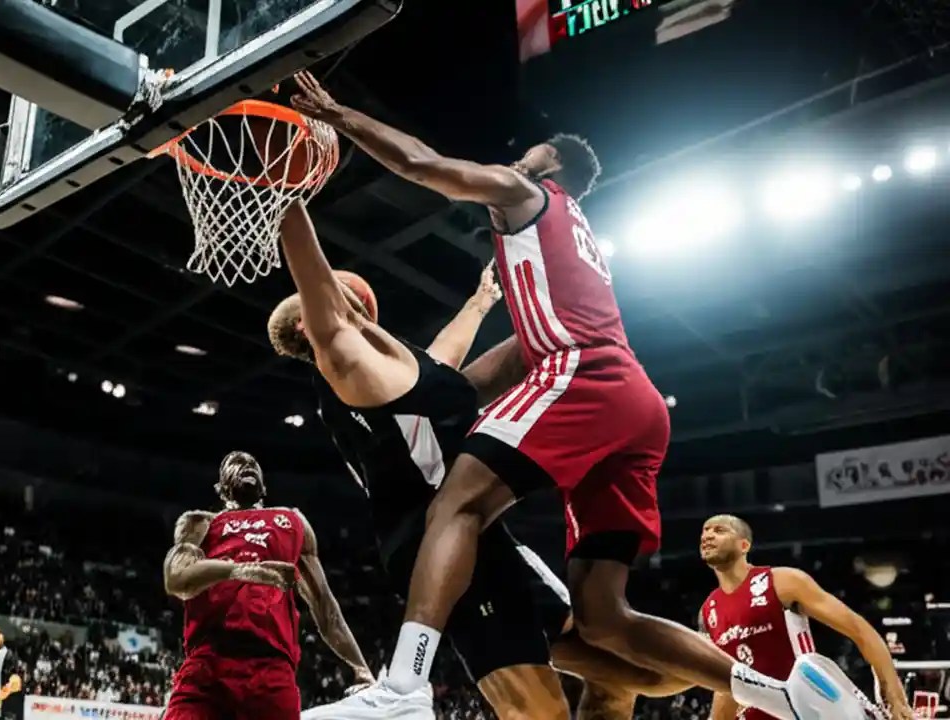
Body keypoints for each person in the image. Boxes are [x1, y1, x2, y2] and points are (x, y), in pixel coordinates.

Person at [288, 70, 868, 720]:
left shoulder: (528, 193)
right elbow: (477, 377)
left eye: (527, 154)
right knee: (603, 616)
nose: (513, 160)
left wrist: (339, 114)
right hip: (634, 402)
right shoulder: (580, 240)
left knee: (457, 504)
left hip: (585, 377)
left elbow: (425, 164)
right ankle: (778, 693)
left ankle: (404, 683)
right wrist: (468, 332)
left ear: (552, 162)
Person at [271, 200, 691, 719]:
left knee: (639, 678)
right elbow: (328, 311)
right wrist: (285, 203)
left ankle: (750, 684)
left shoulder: (399, 377)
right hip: (444, 550)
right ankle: (396, 695)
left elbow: (446, 371)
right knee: (541, 714)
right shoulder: (345, 366)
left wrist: (484, 300)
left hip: (485, 538)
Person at [161, 450, 371, 719]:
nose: (246, 464)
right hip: (208, 663)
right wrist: (243, 570)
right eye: (235, 463)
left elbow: (325, 607)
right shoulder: (201, 523)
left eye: (252, 463)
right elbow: (177, 579)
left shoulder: (292, 521)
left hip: (271, 669)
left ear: (264, 486)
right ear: (221, 487)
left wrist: (361, 667)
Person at [699, 514, 915, 720]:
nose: (707, 535)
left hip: (808, 710)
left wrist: (894, 696)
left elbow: (859, 630)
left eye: (719, 530)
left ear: (744, 545)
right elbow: (726, 687)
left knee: (806, 665)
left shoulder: (783, 581)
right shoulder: (708, 611)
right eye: (705, 531)